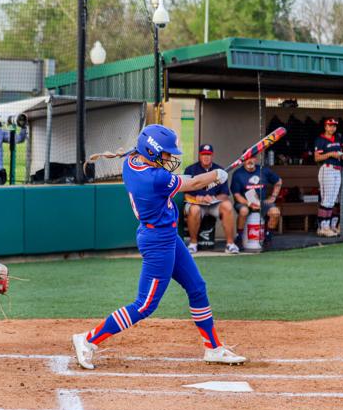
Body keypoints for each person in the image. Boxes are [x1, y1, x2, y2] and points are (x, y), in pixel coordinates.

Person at [71, 124, 245, 370]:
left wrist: (207, 179)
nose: (170, 157)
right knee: (144, 305)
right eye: (165, 153)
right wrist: (217, 176)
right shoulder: (154, 178)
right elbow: (193, 183)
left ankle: (213, 347)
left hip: (166, 235)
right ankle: (87, 340)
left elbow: (190, 182)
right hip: (158, 242)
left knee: (197, 287)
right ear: (151, 152)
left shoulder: (132, 161)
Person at [183, 143, 239, 254]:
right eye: (203, 154)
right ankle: (193, 243)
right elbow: (186, 194)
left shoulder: (219, 170)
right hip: (197, 204)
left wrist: (213, 198)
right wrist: (197, 199)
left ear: (212, 155)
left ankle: (230, 244)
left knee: (227, 206)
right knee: (194, 209)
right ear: (199, 155)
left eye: (208, 154)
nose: (206, 157)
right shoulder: (190, 170)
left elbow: (224, 194)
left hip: (214, 204)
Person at [230, 153, 282, 248]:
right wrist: (250, 203)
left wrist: (273, 197)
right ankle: (239, 238)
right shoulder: (238, 174)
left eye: (252, 158)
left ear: (256, 159)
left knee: (275, 212)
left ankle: (268, 238)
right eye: (247, 158)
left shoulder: (263, 170)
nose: (249, 160)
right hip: (244, 202)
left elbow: (278, 181)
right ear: (243, 160)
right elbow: (237, 195)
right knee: (244, 211)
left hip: (261, 201)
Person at [314, 118, 343, 237]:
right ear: (325, 126)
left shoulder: (337, 138)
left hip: (337, 170)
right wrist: (330, 154)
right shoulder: (320, 139)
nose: (332, 128)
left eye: (334, 126)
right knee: (326, 200)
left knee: (332, 200)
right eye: (330, 125)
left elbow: (339, 153)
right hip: (327, 169)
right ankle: (323, 227)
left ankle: (325, 226)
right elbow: (316, 158)